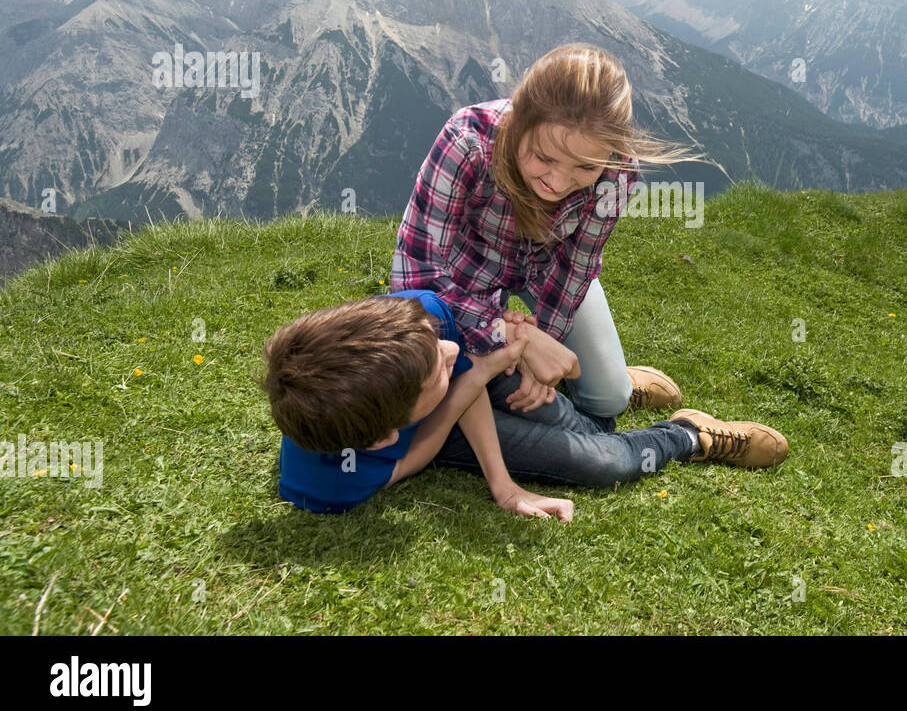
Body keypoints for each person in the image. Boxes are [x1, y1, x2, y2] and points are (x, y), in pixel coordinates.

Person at [260, 291, 788, 518]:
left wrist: (502, 480)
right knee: (598, 459)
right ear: (384, 435)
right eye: (439, 363)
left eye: (435, 341)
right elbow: (416, 456)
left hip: (460, 392)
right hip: (441, 422)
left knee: (586, 427)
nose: (449, 346)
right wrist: (479, 373)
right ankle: (687, 434)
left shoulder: (416, 319)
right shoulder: (328, 485)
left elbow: (454, 360)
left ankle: (617, 393)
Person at [390, 42, 688, 419]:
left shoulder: (619, 172)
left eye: (584, 168)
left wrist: (544, 339)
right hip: (463, 273)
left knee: (609, 400)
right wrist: (513, 336)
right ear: (521, 122)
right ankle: (576, 374)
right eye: (544, 157)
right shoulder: (466, 140)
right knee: (454, 382)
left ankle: (614, 380)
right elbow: (415, 280)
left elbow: (576, 266)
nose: (559, 181)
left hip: (549, 273)